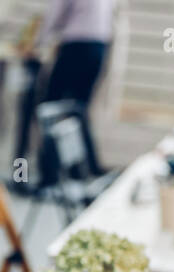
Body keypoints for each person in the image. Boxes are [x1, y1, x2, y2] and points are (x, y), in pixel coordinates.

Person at [37, 0, 115, 181]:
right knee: (78, 109)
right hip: (99, 46)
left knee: (50, 108)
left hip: (76, 45)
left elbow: (55, 13)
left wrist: (40, 42)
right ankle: (83, 169)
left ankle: (49, 174)